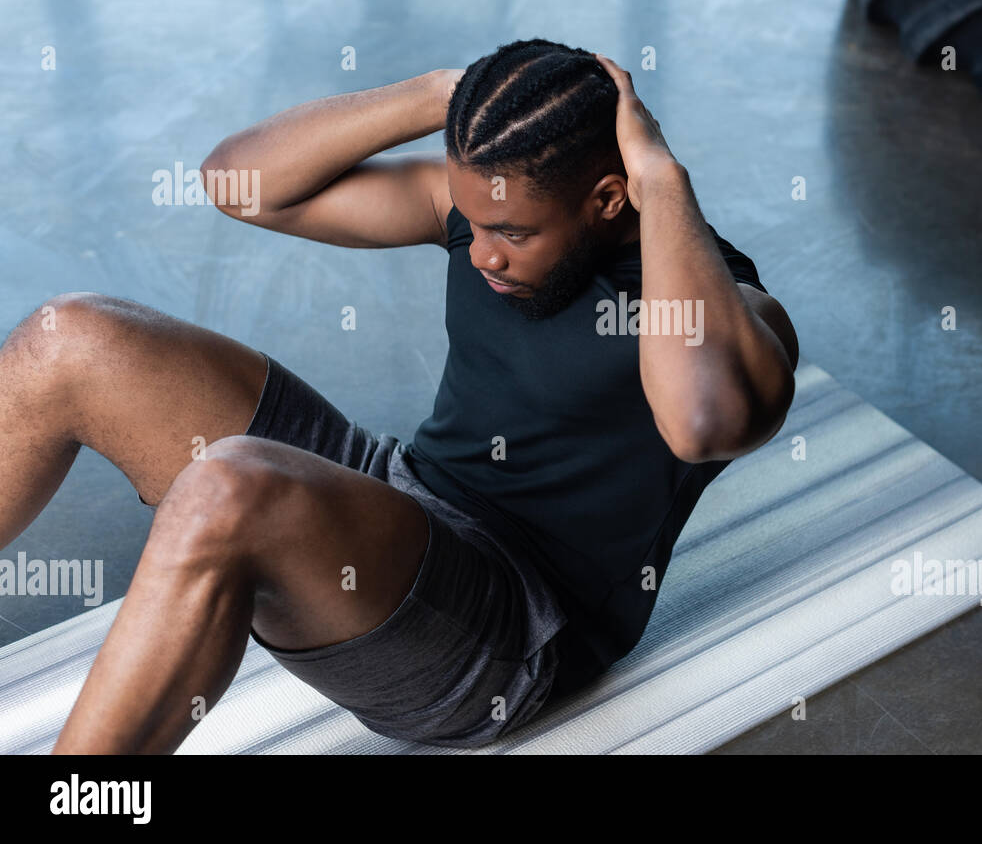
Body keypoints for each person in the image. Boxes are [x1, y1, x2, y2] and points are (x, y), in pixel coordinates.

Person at [0, 38, 798, 753]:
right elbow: (238, 184)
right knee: (68, 337)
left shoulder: (737, 317)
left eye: (513, 234)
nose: (482, 253)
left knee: (225, 484)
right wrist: (445, 95)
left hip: (506, 626)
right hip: (396, 506)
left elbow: (701, 422)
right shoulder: (487, 208)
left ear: (609, 198)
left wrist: (662, 177)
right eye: (472, 220)